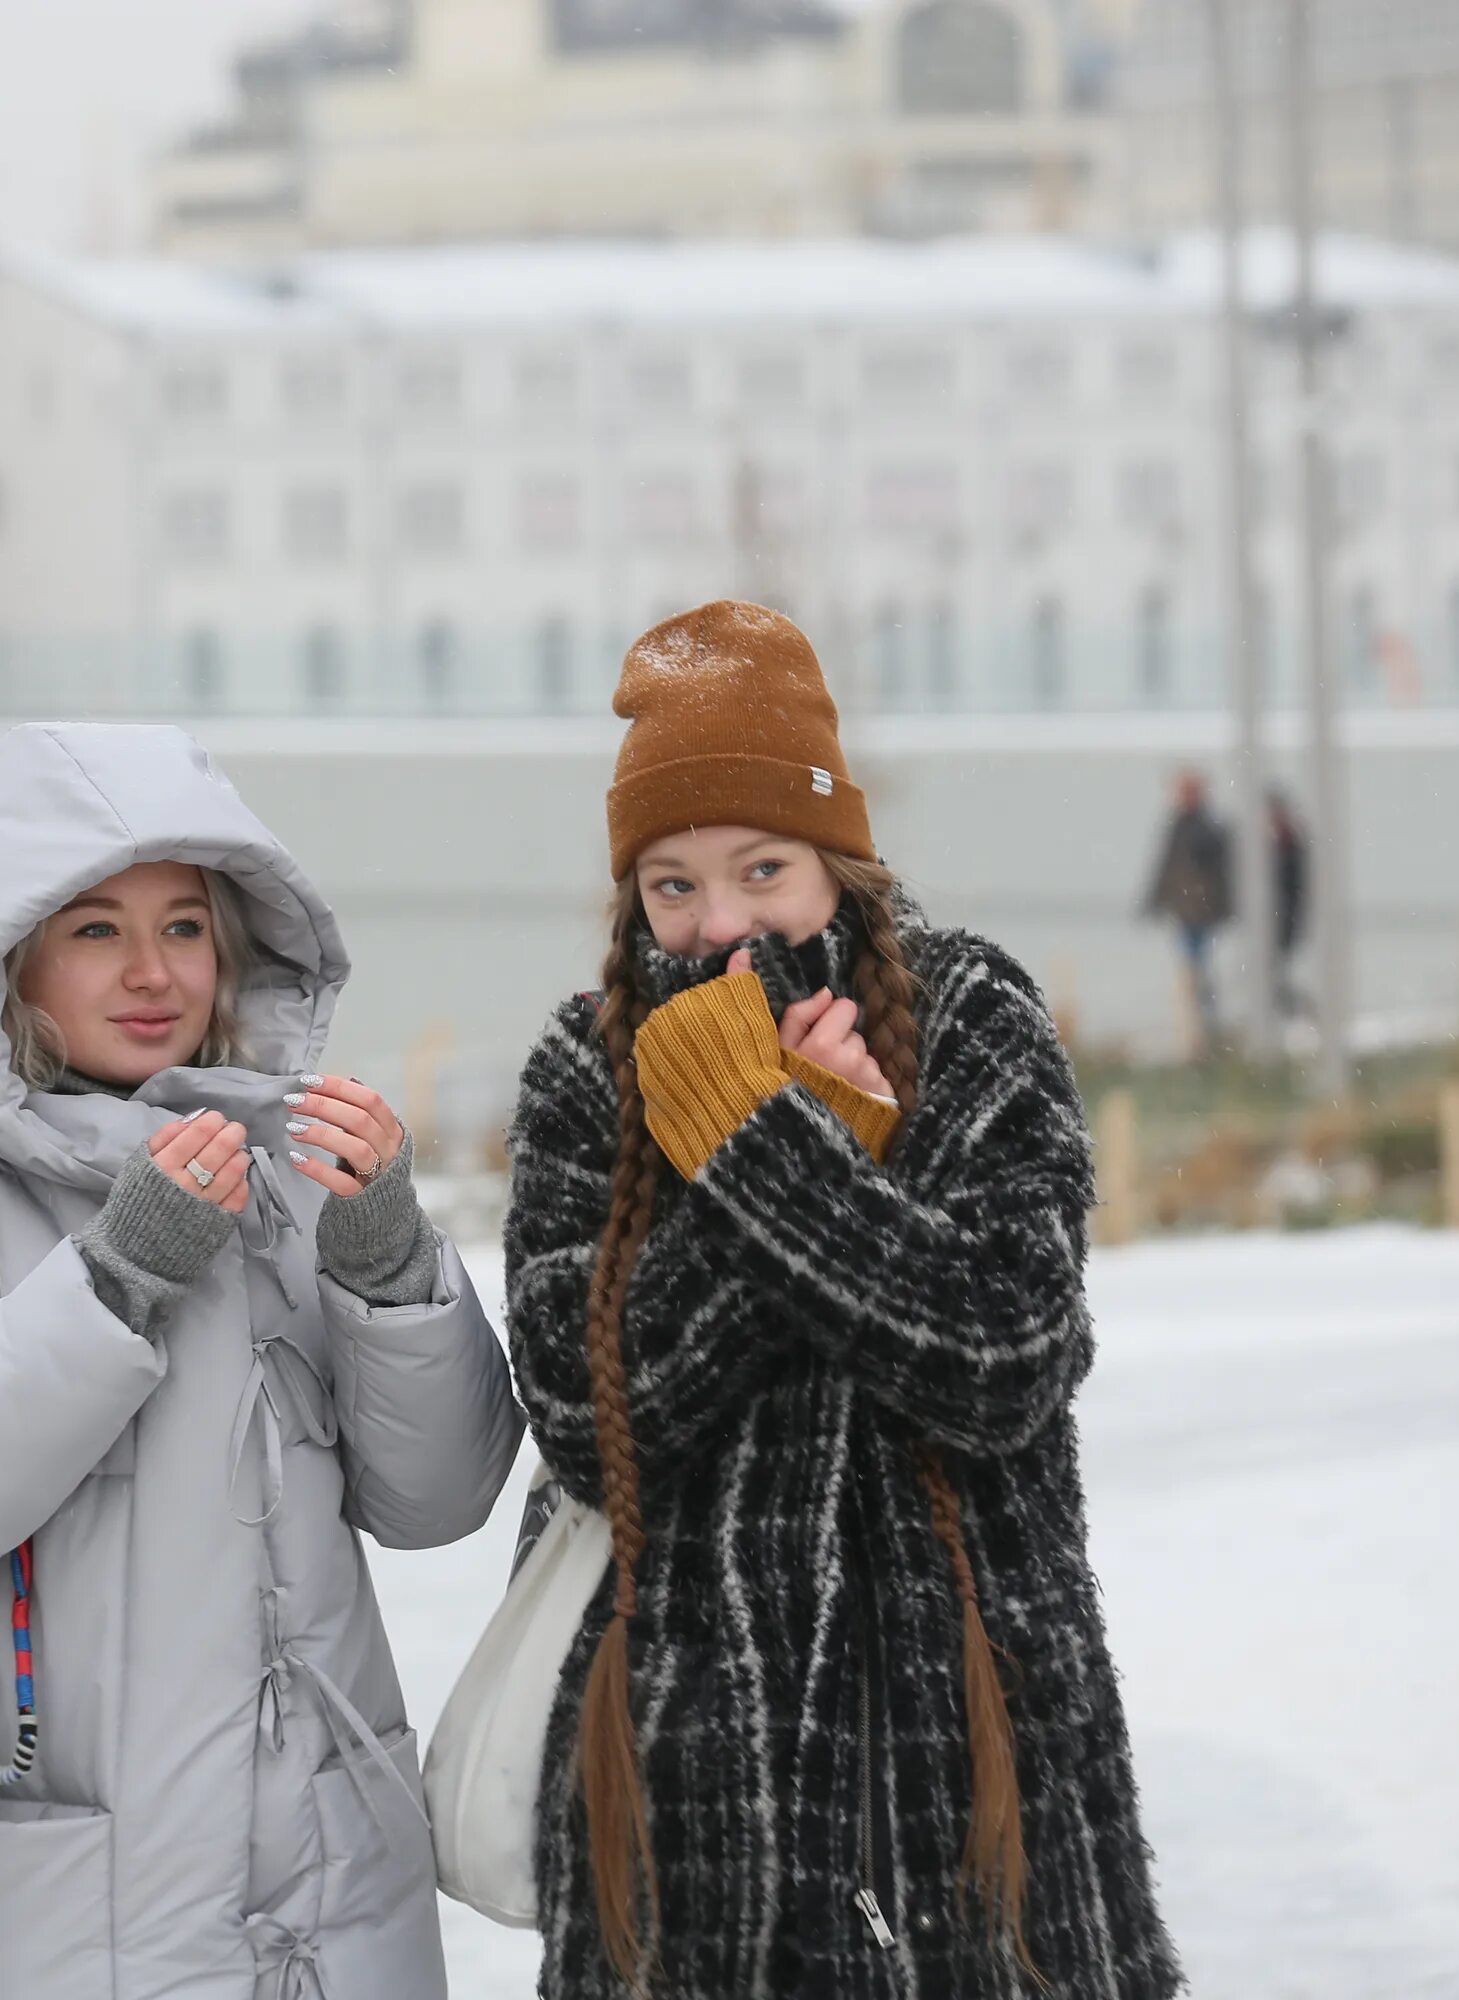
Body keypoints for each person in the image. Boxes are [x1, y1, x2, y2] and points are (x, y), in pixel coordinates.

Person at [504, 604, 1181, 1999]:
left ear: (839, 862)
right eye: (673, 885)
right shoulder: (588, 1074)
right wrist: (798, 1142)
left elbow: (1008, 1349)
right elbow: (588, 1415)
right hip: (688, 1783)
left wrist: (763, 1149)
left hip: (975, 1765)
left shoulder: (968, 1021)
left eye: (763, 868)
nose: (723, 924)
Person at [0, 721, 521, 2000]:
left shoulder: (291, 1175)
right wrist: (117, 1275)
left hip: (346, 1926)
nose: (150, 970)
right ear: (4, 962)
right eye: (92, 929)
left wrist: (387, 1255)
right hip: (64, 1937)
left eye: (184, 925)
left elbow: (439, 1498)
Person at [1141, 769, 1235, 1049]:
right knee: (1193, 970)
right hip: (1188, 911)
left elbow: (1181, 867)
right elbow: (1168, 868)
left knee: (1194, 971)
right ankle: (1200, 1031)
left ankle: (1201, 1032)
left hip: (1197, 912)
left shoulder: (1203, 827)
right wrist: (1155, 901)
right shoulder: (1188, 825)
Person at [1267, 787, 1312, 1019]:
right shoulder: (1279, 840)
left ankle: (1293, 1010)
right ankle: (1290, 1009)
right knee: (1276, 969)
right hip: (1277, 916)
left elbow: (1296, 882)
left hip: (1285, 916)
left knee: (1277, 967)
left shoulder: (1289, 841)